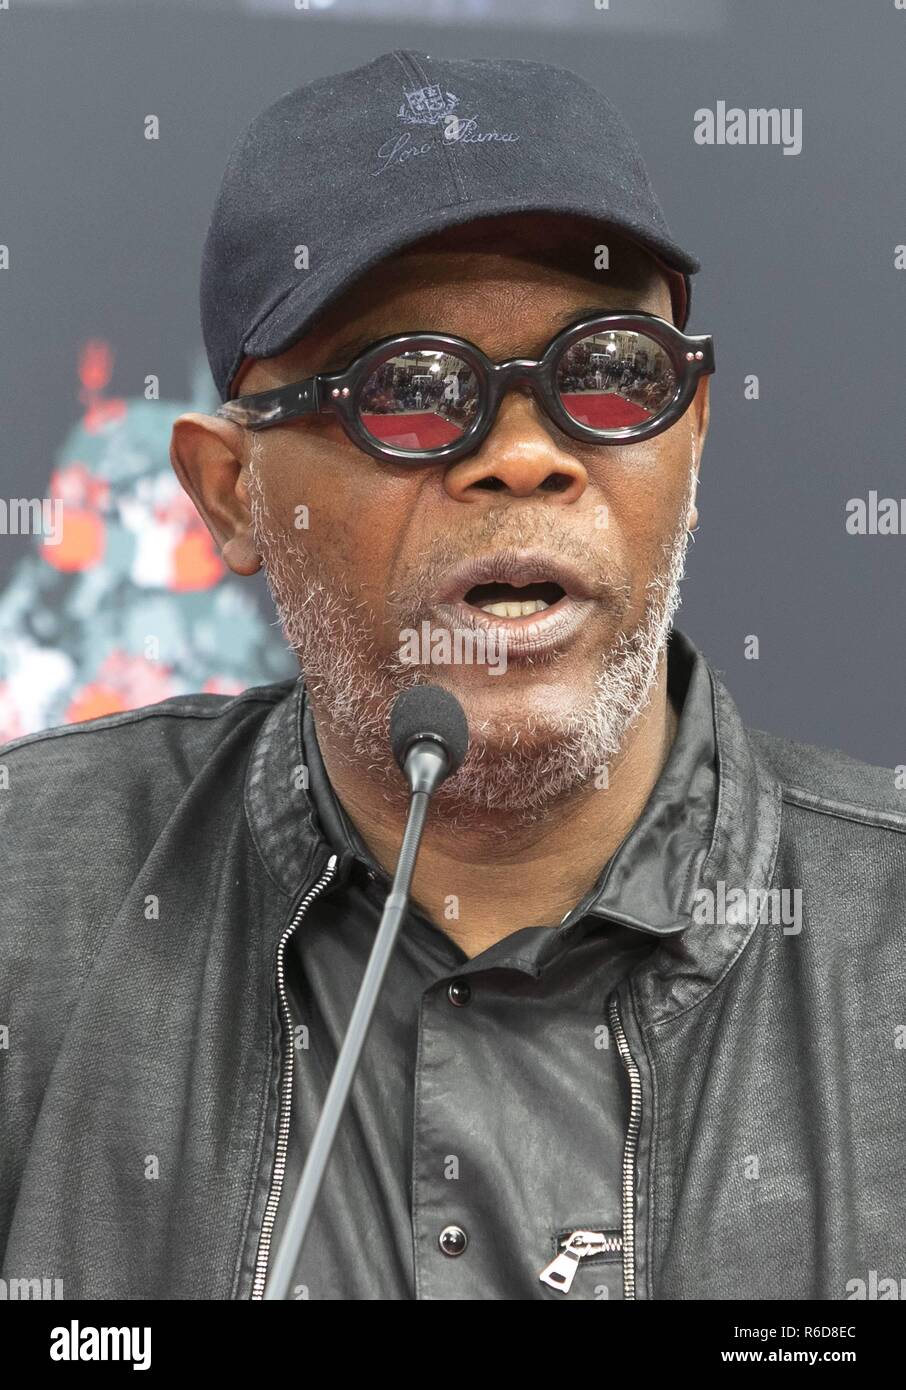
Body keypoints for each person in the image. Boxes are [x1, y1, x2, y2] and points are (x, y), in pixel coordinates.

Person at [1, 49, 904, 1303]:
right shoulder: (25, 900)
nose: (525, 456)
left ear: (693, 431)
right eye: (411, 392)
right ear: (231, 491)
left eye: (608, 373)